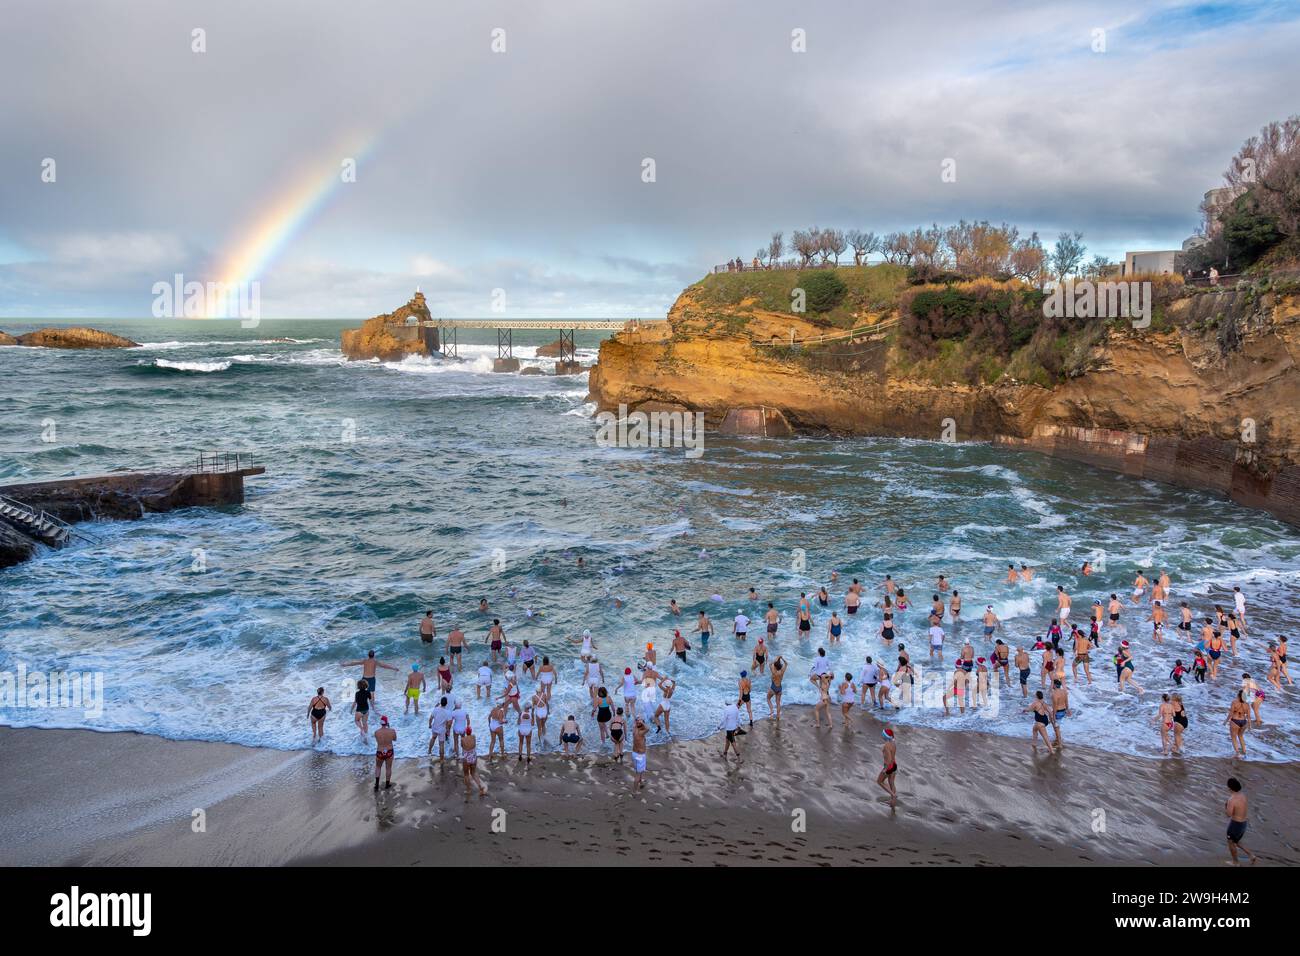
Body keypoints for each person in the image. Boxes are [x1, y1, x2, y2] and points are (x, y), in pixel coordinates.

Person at [1224, 777, 1257, 865]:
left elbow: (1228, 814)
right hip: (1243, 823)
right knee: (1236, 841)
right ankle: (1251, 855)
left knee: (1231, 842)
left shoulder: (1232, 800)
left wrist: (1226, 806)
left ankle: (1235, 862)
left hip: (1235, 824)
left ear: (1230, 788)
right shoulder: (1243, 795)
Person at [461, 721, 487, 796]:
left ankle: (468, 790)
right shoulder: (474, 737)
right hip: (473, 757)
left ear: (465, 732)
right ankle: (480, 787)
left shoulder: (463, 739)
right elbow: (474, 745)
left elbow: (462, 746)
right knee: (473, 773)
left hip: (466, 758)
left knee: (466, 774)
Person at [373, 715, 396, 791]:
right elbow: (395, 739)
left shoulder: (376, 732)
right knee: (388, 768)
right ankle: (387, 784)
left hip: (380, 751)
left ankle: (376, 785)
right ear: (387, 722)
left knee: (378, 767)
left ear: (381, 723)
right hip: (389, 751)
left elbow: (377, 740)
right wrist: (389, 728)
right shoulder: (392, 731)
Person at [877, 728, 898, 807]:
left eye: (883, 735)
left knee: (879, 781)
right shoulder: (893, 743)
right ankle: (893, 801)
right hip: (894, 765)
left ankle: (893, 795)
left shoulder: (886, 745)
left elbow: (888, 760)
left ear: (885, 736)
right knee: (891, 783)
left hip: (889, 766)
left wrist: (885, 769)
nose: (882, 736)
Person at [1226, 692, 1250, 757]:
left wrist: (1226, 721)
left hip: (1235, 721)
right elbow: (1248, 716)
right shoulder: (1247, 704)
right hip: (1244, 721)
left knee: (1234, 738)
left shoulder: (1234, 702)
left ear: (1238, 696)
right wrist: (1249, 725)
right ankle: (1244, 752)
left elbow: (1231, 713)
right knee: (1241, 736)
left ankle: (1238, 754)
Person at [631, 717, 648, 790]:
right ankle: (634, 790)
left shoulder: (634, 730)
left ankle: (641, 782)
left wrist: (637, 721)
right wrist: (642, 722)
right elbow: (647, 728)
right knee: (638, 773)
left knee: (639, 770)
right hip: (640, 755)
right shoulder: (641, 733)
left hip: (634, 754)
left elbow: (635, 724)